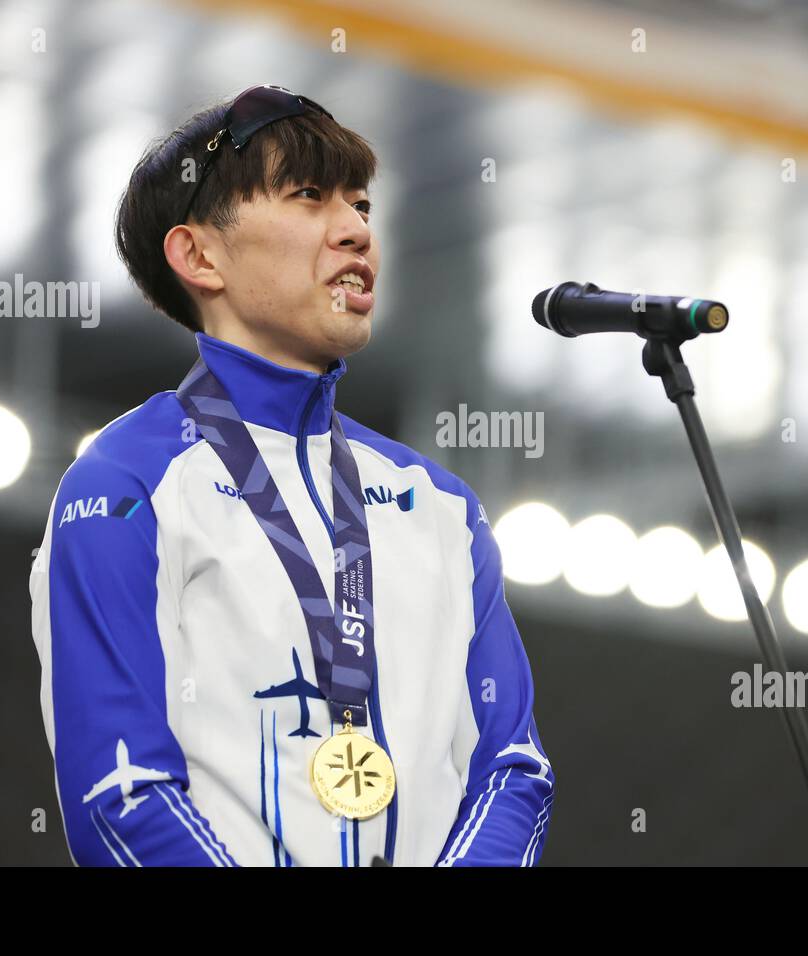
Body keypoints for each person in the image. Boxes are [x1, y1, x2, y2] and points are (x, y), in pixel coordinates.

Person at [28, 85, 553, 867]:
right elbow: (121, 792)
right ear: (199, 255)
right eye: (310, 196)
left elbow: (514, 772)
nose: (356, 232)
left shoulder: (440, 507)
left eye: (362, 206)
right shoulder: (123, 488)